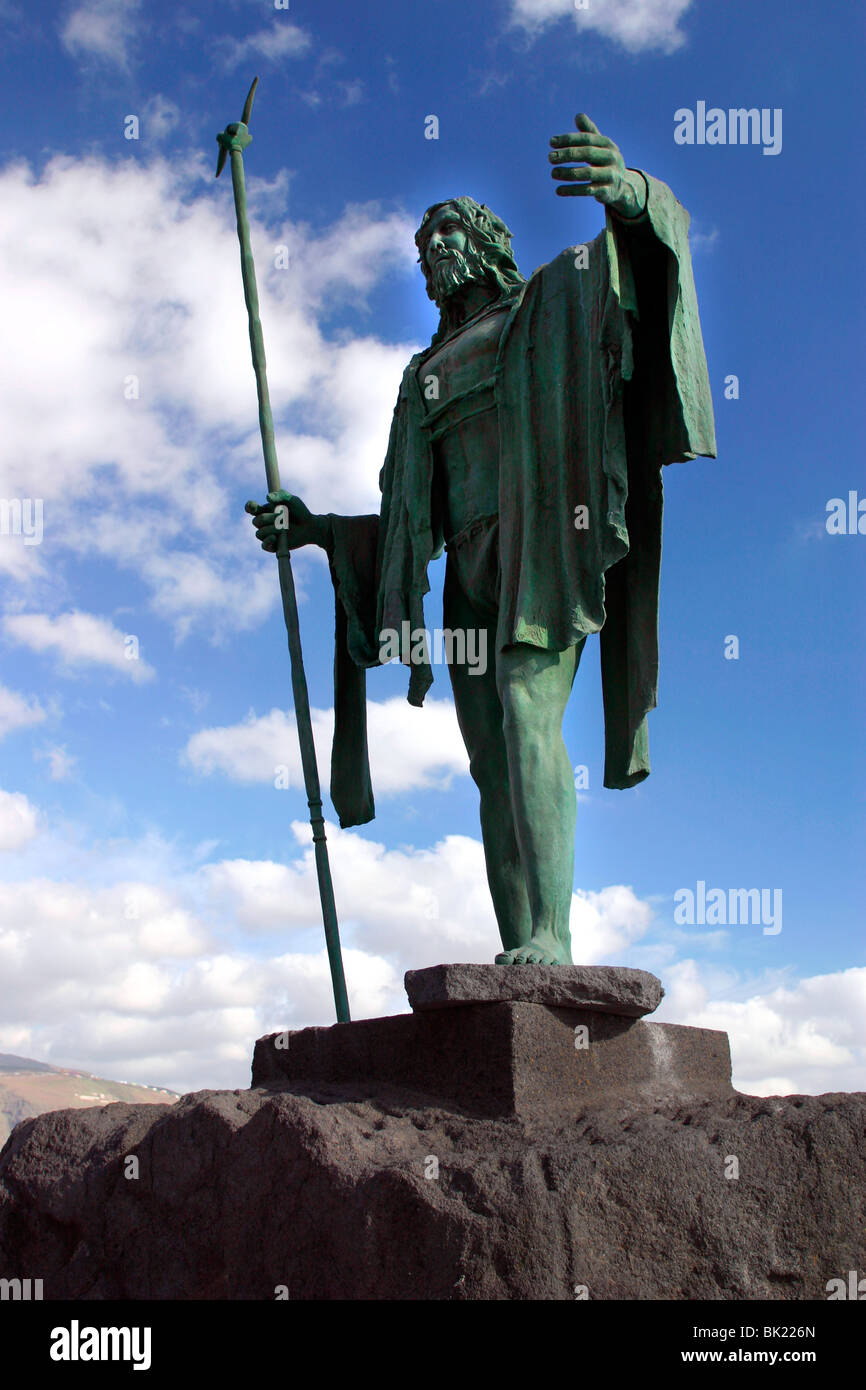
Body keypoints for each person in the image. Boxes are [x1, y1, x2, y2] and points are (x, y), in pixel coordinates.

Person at [249, 114, 716, 966]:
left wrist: (630, 197)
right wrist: (315, 529)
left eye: (449, 230)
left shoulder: (542, 306)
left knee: (528, 714)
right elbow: (403, 520)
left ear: (488, 240)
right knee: (488, 764)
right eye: (424, 243)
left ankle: (553, 939)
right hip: (467, 566)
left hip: (541, 548)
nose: (434, 248)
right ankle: (518, 951)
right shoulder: (420, 374)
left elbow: (648, 264)